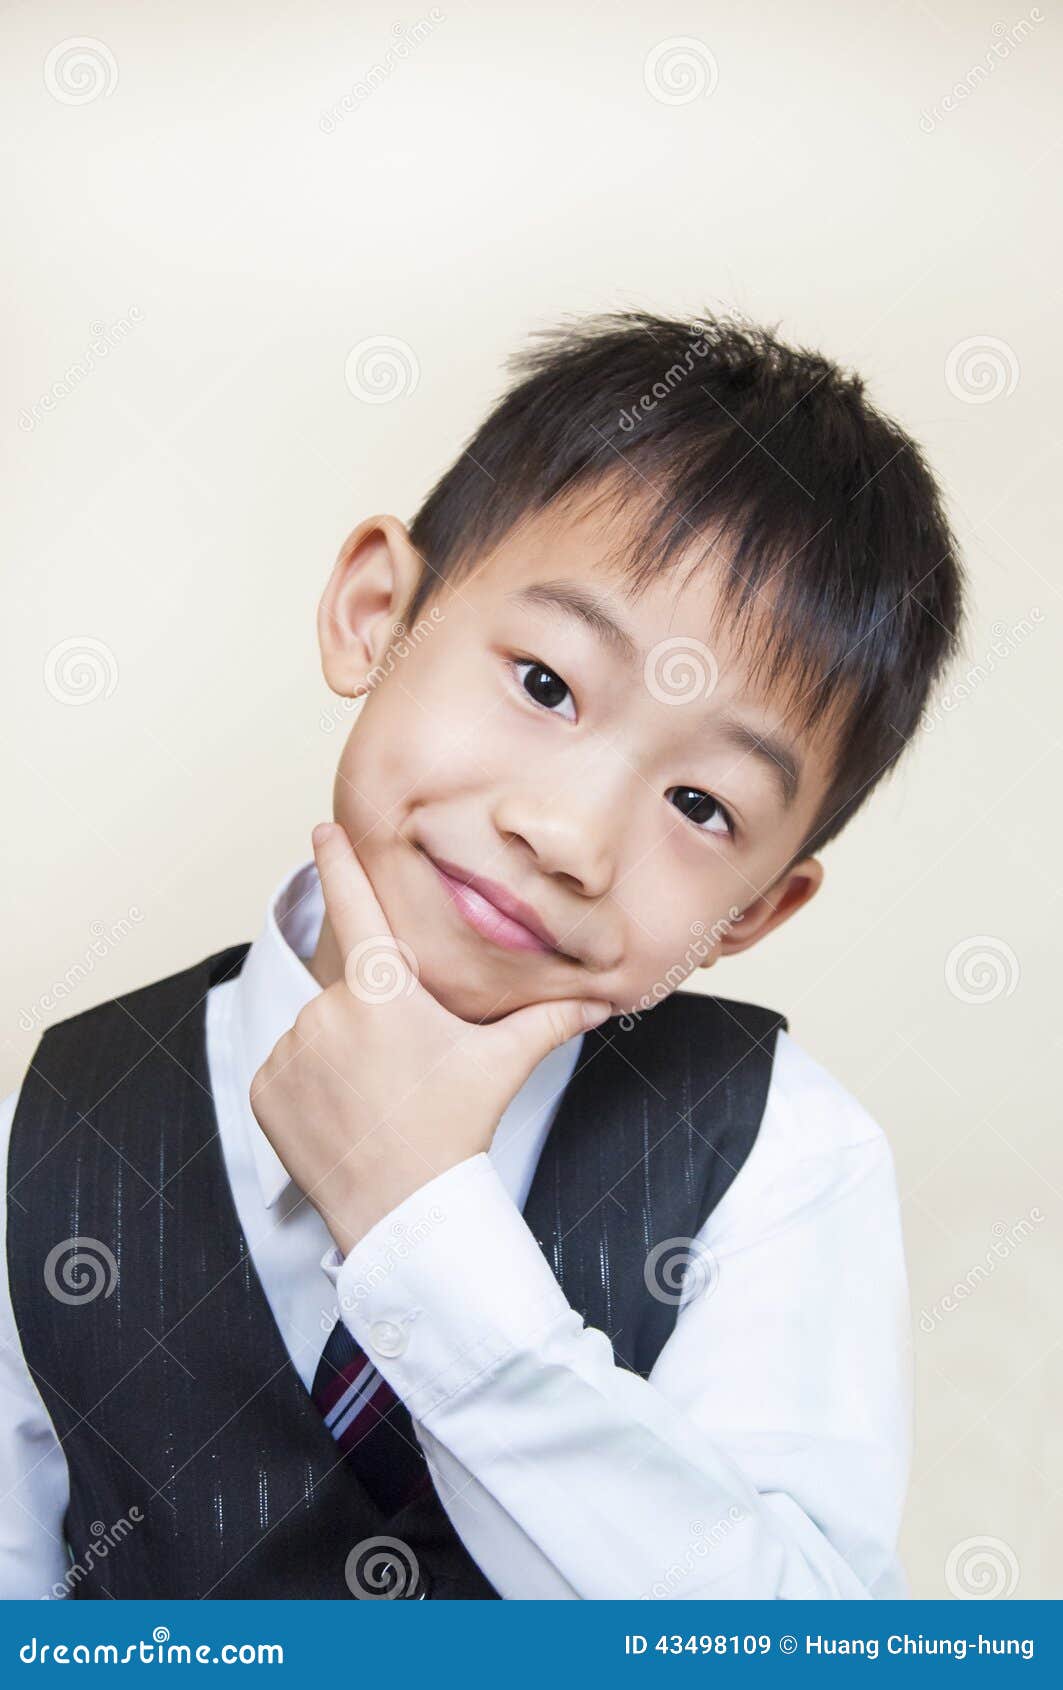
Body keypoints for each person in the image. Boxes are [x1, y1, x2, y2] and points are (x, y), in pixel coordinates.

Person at [0, 310, 964, 1600]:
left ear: (751, 916)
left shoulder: (779, 1153)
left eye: (701, 807)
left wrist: (423, 1232)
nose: (567, 834)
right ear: (375, 613)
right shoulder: (65, 1119)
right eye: (547, 683)